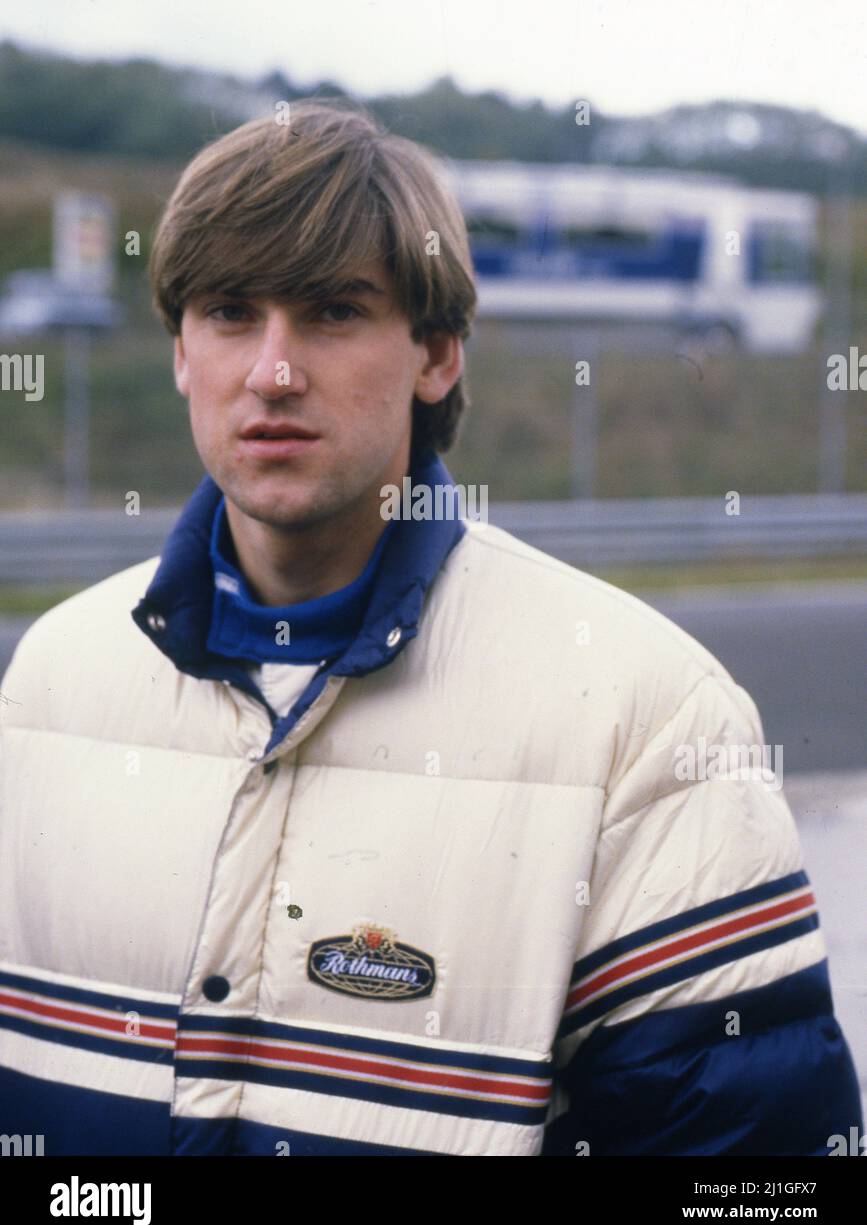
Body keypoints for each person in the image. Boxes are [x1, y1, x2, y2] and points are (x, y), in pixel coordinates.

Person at [0, 101, 861, 1157]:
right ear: (182, 352)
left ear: (439, 354)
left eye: (331, 313)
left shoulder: (647, 717)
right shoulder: (45, 686)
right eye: (230, 312)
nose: (273, 370)